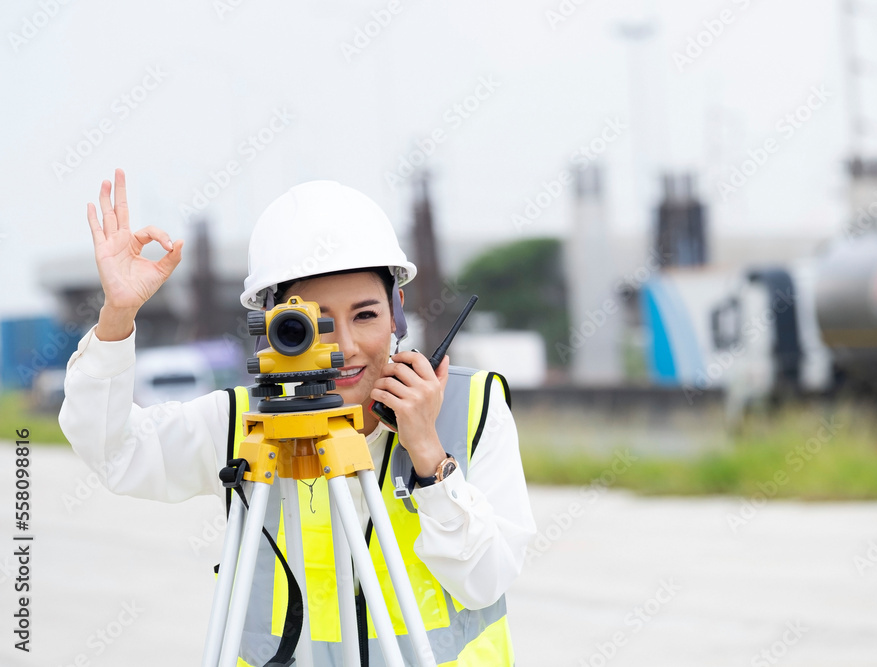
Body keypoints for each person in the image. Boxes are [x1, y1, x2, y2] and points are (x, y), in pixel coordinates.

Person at [59, 169, 536, 666]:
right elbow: (114, 451)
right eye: (315, 322)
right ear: (271, 325)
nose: (345, 346)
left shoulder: (471, 407)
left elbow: (486, 582)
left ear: (397, 312)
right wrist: (117, 315)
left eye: (366, 315)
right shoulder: (246, 424)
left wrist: (430, 457)